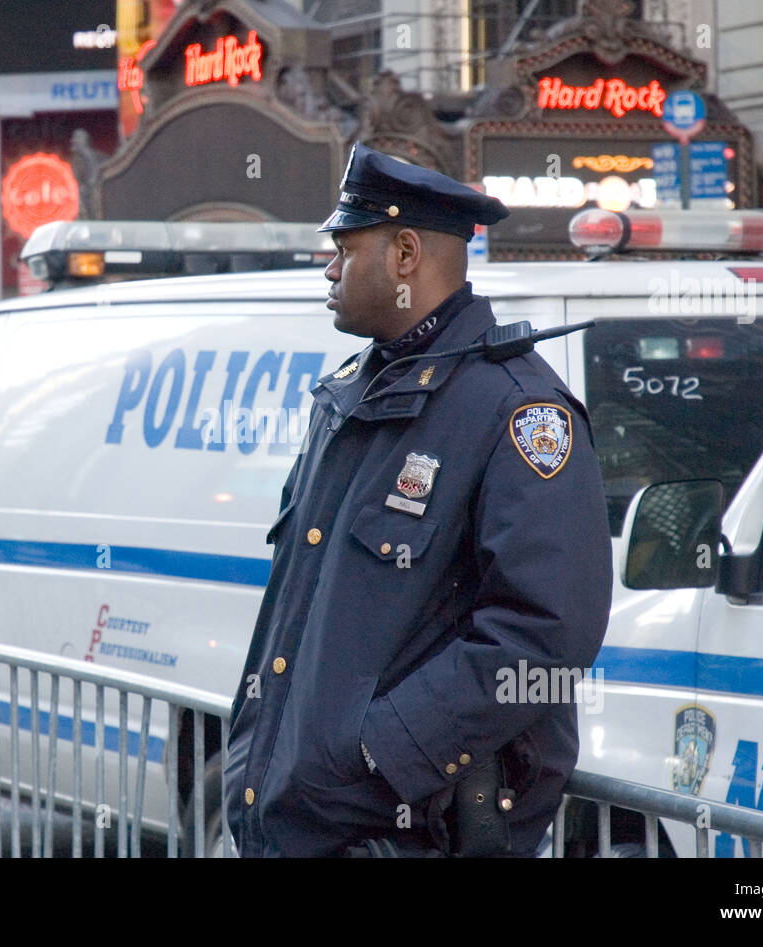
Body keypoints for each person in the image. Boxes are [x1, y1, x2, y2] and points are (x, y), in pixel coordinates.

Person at [223, 144, 613, 857]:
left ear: (405, 253)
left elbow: (548, 634)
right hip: (300, 826)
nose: (330, 267)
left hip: (403, 834)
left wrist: (379, 751)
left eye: (345, 246)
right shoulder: (350, 393)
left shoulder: (519, 410)